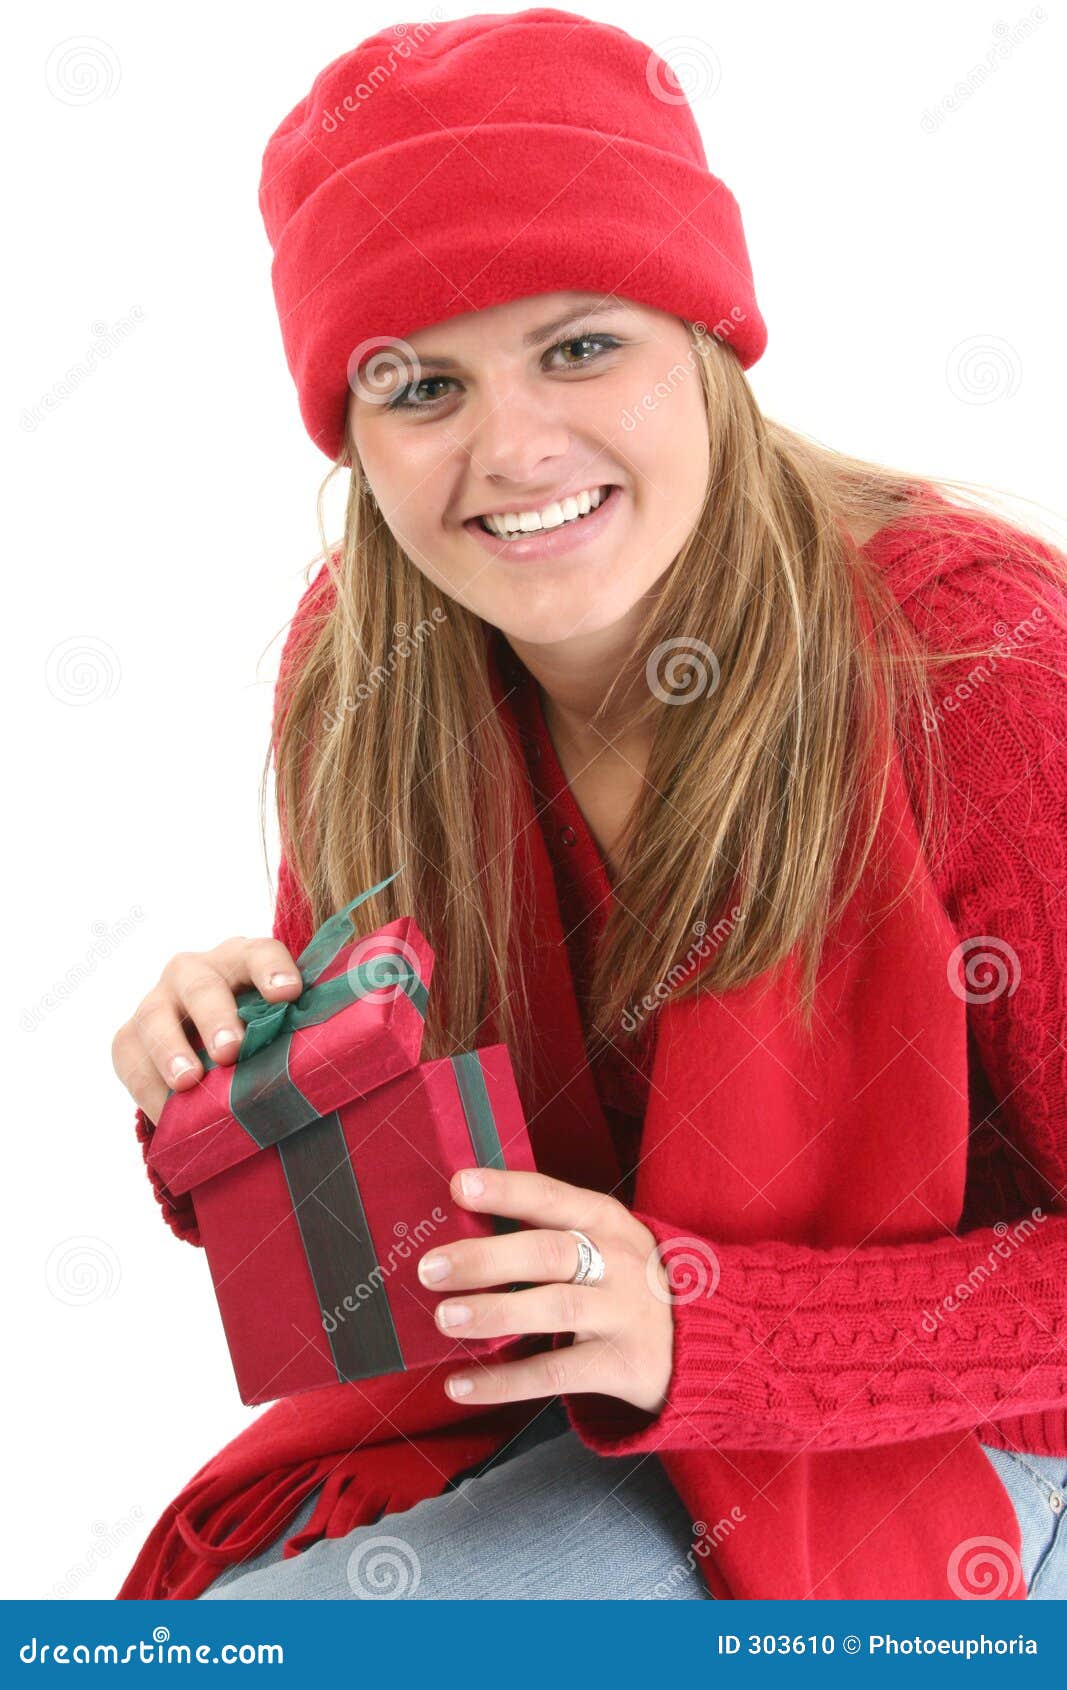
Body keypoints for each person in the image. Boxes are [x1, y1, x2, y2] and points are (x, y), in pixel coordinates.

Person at [111, 8, 1067, 1601]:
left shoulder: (981, 666)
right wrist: (235, 1092)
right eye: (421, 385)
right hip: (583, 1405)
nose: (514, 448)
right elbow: (391, 1268)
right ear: (354, 439)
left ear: (708, 342)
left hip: (966, 1433)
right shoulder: (364, 667)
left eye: (579, 346)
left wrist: (713, 1327)